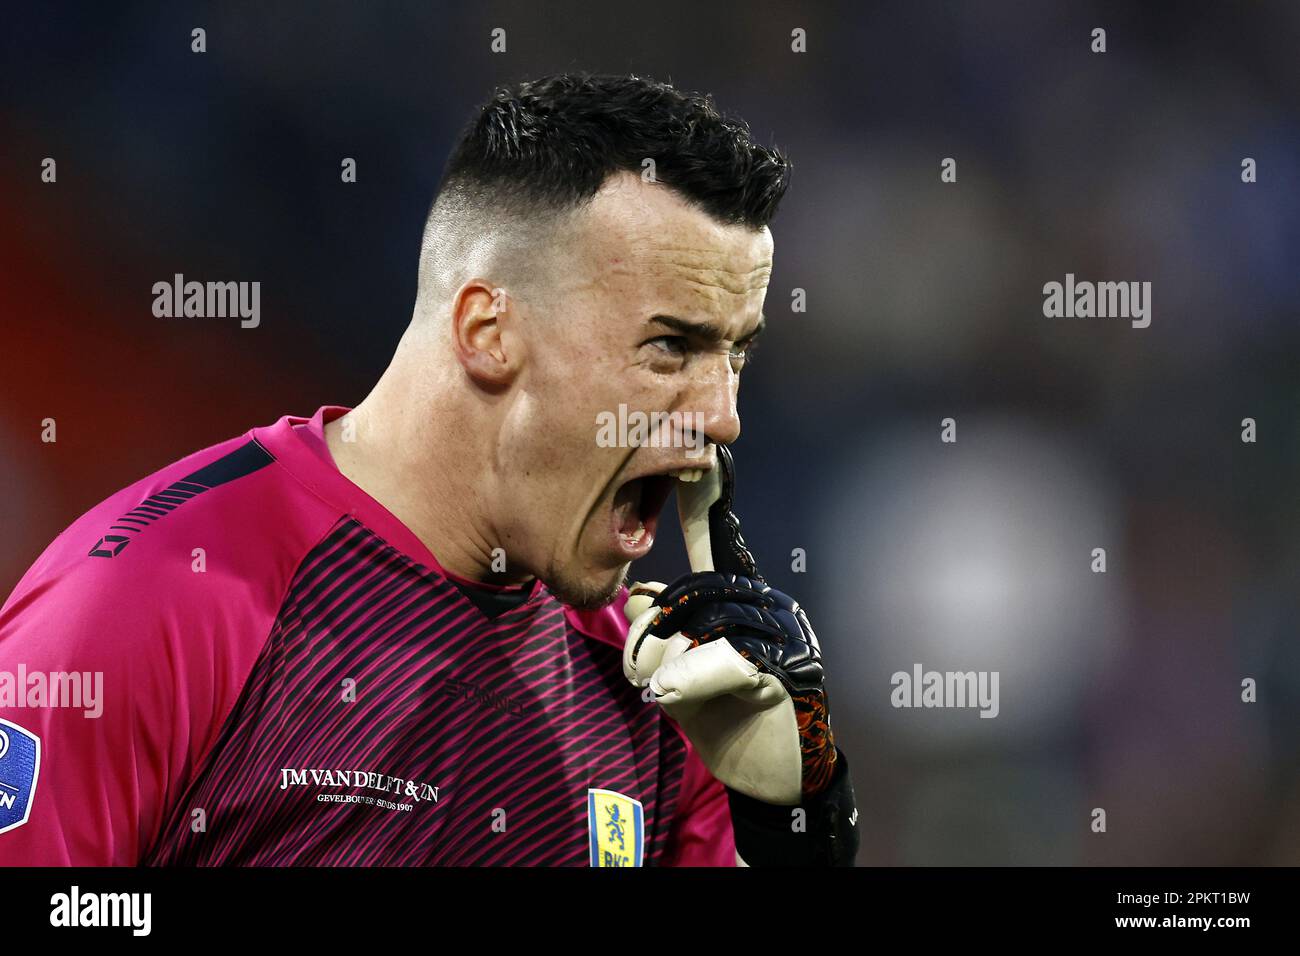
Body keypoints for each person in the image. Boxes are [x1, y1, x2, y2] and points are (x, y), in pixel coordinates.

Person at [0, 73, 857, 866]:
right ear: (488, 331)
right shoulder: (153, 602)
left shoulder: (665, 695)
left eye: (736, 352)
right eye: (671, 346)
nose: (722, 416)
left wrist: (799, 817)